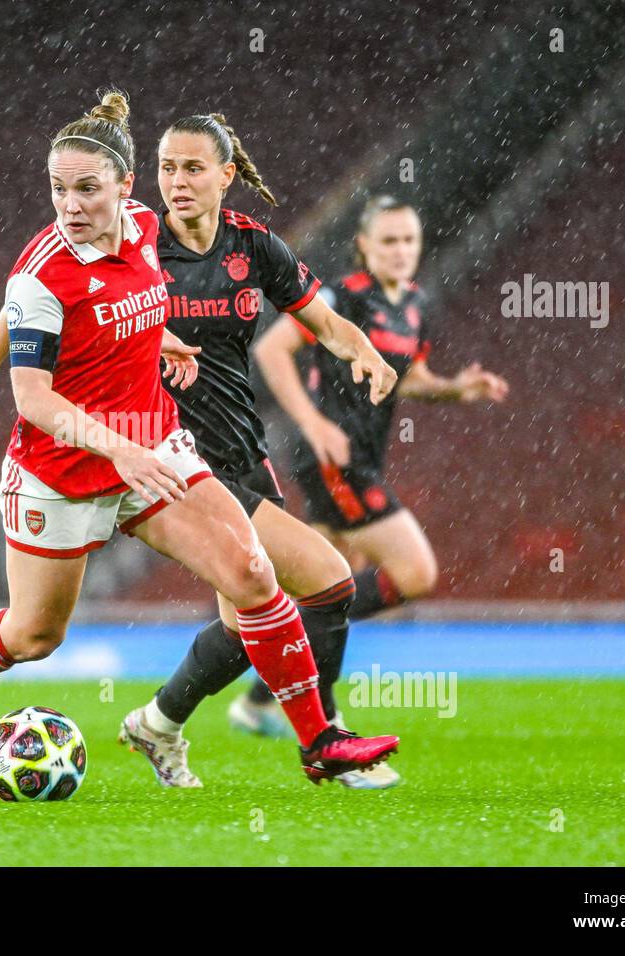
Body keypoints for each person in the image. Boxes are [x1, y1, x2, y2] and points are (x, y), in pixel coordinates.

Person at [0, 90, 399, 786]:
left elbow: (125, 305)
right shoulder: (42, 276)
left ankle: (320, 744)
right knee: (34, 634)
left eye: (86, 189)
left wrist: (162, 340)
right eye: (58, 190)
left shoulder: (140, 227)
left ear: (125, 188)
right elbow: (33, 395)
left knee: (252, 575)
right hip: (62, 471)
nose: (70, 205)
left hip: (154, 448)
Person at [229, 195, 509, 745]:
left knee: (318, 586)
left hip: (361, 456)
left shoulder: (416, 306)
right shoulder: (344, 297)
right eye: (389, 241)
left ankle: (264, 692)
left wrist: (455, 388)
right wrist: (312, 424)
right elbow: (272, 350)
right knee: (412, 573)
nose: (401, 251)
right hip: (335, 459)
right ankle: (320, 719)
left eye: (409, 240)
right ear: (365, 246)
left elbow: (407, 377)